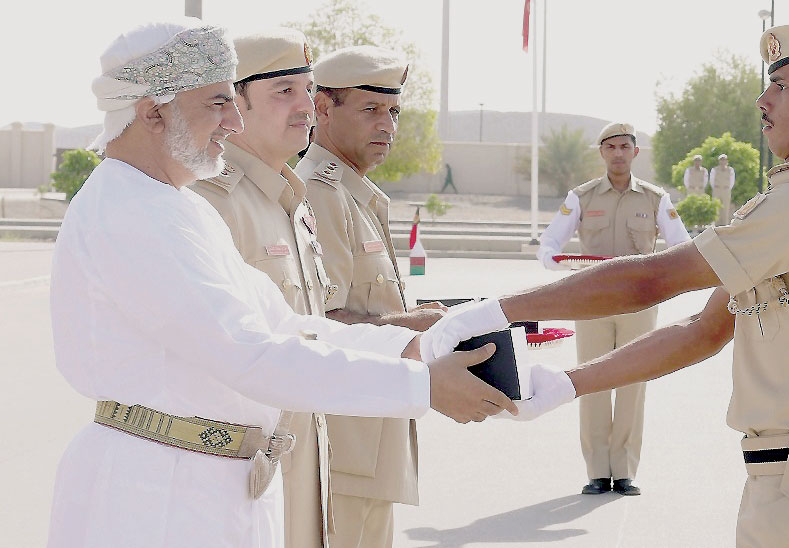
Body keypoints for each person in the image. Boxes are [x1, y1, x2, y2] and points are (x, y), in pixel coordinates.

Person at [422, 17, 789, 547]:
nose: (762, 101)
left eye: (780, 87)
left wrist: (499, 311)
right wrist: (570, 384)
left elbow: (653, 280)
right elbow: (703, 329)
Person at [47, 19, 516, 548]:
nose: (232, 122)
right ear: (154, 112)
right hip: (157, 498)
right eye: (217, 103)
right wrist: (424, 386)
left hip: (209, 489)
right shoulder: (130, 210)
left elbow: (286, 326)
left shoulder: (173, 207)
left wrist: (419, 347)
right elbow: (248, 353)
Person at [188, 28, 336, 548]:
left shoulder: (290, 199)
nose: (307, 106)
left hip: (302, 460)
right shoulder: (210, 203)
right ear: (234, 104)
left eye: (309, 90)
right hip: (237, 476)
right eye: (284, 91)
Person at [294, 45, 442, 548]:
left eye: (394, 112)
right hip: (343, 442)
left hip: (372, 433)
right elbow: (320, 322)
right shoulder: (318, 192)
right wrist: (414, 325)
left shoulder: (357, 193)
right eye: (370, 109)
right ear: (322, 108)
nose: (387, 126)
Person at [535, 122, 689, 496]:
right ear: (601, 152)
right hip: (593, 303)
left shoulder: (655, 199)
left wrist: (659, 277)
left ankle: (624, 472)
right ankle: (596, 472)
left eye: (625, 147)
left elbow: (681, 246)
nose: (618, 154)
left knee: (634, 382)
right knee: (591, 382)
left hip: (639, 303)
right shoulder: (581, 197)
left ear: (635, 152)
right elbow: (549, 246)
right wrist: (566, 263)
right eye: (611, 147)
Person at [710, 153, 735, 225]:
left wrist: (727, 188)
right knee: (716, 207)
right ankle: (716, 225)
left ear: (727, 161)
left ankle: (725, 224)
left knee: (726, 208)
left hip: (726, 190)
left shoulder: (730, 170)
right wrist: (716, 187)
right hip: (717, 189)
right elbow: (711, 180)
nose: (723, 161)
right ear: (719, 161)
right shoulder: (714, 170)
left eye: (724, 160)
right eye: (721, 160)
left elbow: (732, 181)